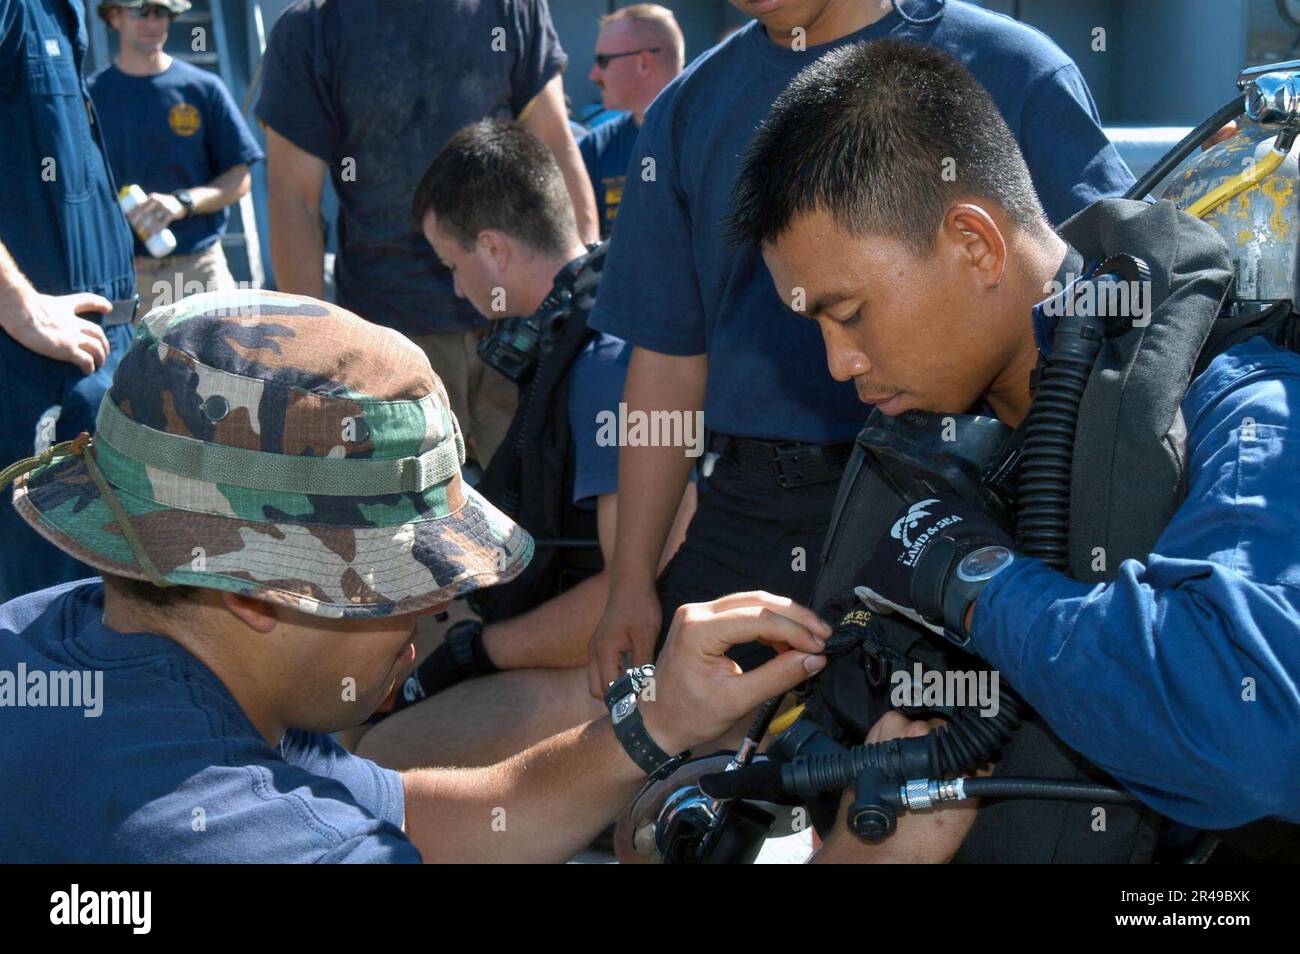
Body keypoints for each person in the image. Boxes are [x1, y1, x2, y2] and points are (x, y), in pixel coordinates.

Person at [0, 288, 968, 863]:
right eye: (400, 591)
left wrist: (659, 725)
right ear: (259, 593)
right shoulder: (230, 839)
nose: (431, 623)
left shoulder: (60, 636)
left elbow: (423, 819)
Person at [728, 38, 1300, 846]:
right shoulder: (926, 446)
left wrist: (974, 578)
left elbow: (1254, 735)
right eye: (815, 323)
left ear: (975, 243)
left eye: (850, 313)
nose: (839, 363)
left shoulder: (1243, 410)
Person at [585, 0, 1136, 701]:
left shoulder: (1015, 68)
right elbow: (667, 360)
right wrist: (630, 582)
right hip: (757, 506)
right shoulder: (688, 108)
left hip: (983, 492)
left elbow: (1106, 291)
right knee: (677, 764)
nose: (839, 360)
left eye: (846, 314)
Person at [351, 120, 695, 769]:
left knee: (380, 759)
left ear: (494, 249)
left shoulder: (602, 365)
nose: (456, 290)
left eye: (453, 266)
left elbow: (639, 596)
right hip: (589, 641)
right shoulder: (599, 309)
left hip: (640, 668)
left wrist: (480, 652)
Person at [255, 0, 597, 468]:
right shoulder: (312, 28)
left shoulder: (508, 8)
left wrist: (580, 295)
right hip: (391, 335)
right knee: (410, 521)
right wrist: (316, 350)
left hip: (519, 321)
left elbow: (555, 146)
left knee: (538, 507)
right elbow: (293, 200)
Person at [0, 0, 137, 603]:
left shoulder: (64, 10)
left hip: (91, 370)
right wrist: (19, 306)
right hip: (28, 380)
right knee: (47, 619)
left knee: (108, 602)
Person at [89, 0, 263, 307]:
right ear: (114, 17)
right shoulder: (92, 97)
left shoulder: (203, 89)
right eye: (141, 12)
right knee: (128, 357)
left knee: (217, 354)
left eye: (162, 13)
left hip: (199, 269)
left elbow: (239, 178)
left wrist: (183, 202)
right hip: (123, 274)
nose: (152, 22)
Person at [580, 4, 684, 238]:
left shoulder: (709, 138)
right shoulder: (596, 149)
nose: (594, 74)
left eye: (603, 60)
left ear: (644, 63)